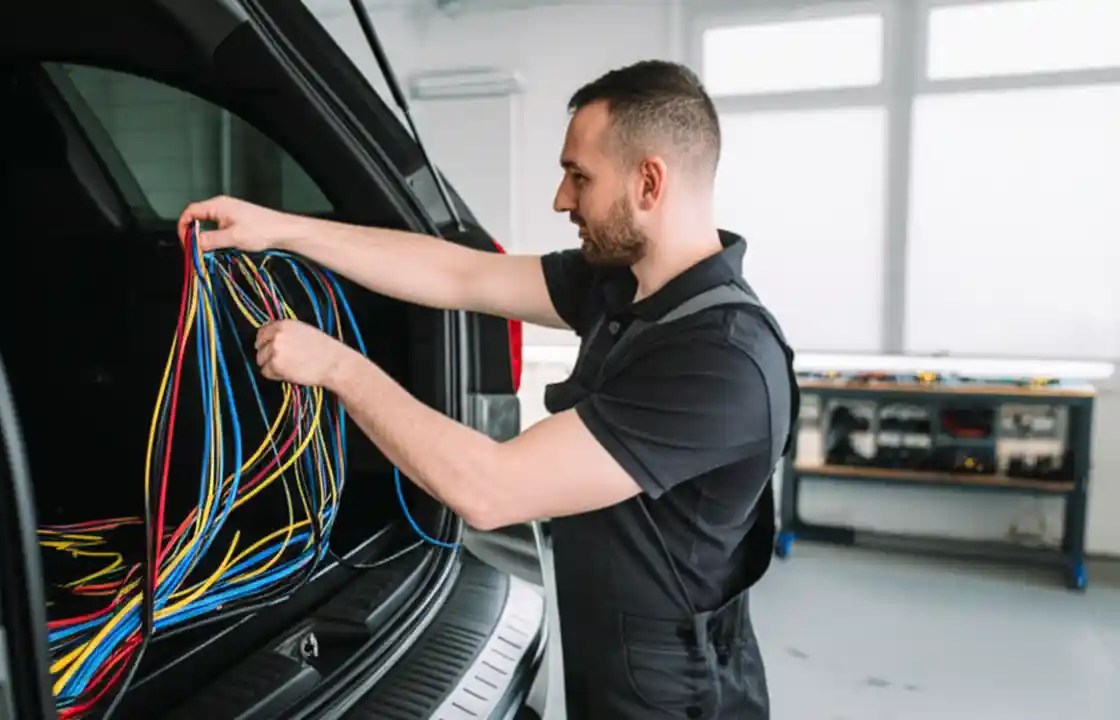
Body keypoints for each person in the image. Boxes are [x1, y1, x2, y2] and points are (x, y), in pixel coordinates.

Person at [178, 59, 797, 720]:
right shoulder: (625, 285)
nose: (561, 199)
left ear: (649, 181)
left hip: (677, 702)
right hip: (611, 666)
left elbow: (493, 490)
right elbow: (460, 275)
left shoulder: (720, 358)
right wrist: (281, 229)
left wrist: (337, 367)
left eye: (580, 176)